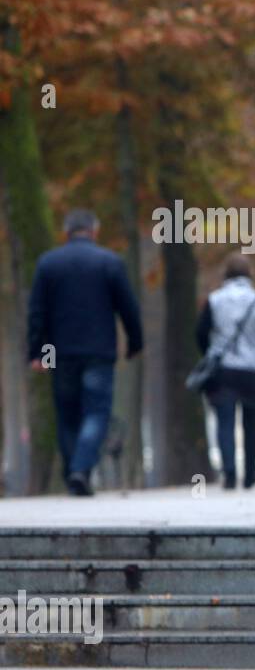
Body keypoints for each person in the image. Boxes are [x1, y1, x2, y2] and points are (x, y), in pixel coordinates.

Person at [27, 209, 143, 496]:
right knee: (96, 412)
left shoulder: (48, 264)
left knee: (66, 414)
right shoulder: (110, 262)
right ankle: (80, 469)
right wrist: (135, 342)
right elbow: (128, 308)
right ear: (94, 230)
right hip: (98, 351)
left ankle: (74, 472)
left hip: (59, 351)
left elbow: (37, 313)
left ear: (66, 232)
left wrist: (37, 352)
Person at [196, 255, 255, 490]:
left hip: (223, 369)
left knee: (224, 421)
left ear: (226, 274)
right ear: (249, 274)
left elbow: (201, 333)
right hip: (254, 369)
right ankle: (251, 474)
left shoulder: (214, 300)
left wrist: (210, 354)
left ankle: (229, 471)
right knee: (251, 421)